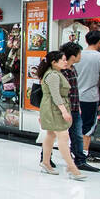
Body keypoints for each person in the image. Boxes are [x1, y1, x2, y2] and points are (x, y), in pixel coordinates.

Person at [37, 50, 86, 181]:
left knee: (51, 134)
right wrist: (64, 111)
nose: (65, 62)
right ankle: (71, 167)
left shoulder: (55, 73)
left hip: (51, 107)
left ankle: (46, 162)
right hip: (54, 109)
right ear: (54, 62)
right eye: (63, 60)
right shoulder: (53, 75)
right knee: (63, 136)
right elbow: (56, 95)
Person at [59, 41, 99, 172]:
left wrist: (78, 106)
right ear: (73, 56)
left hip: (75, 107)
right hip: (63, 109)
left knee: (77, 135)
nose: (81, 56)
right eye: (79, 53)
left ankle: (80, 160)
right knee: (54, 134)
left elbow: (74, 89)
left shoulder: (73, 68)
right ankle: (46, 158)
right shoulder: (61, 70)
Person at [75, 31, 100, 162]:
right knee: (88, 126)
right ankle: (84, 153)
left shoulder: (77, 55)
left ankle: (75, 150)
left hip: (74, 96)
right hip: (90, 97)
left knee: (74, 124)